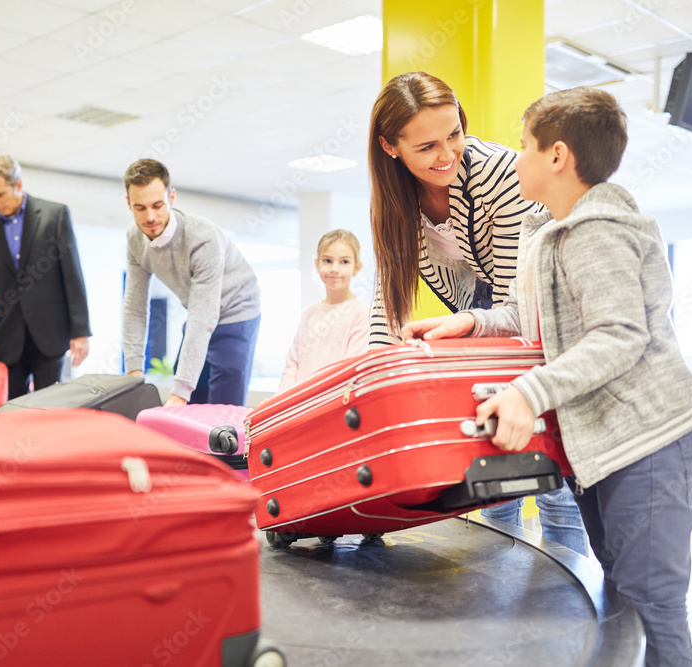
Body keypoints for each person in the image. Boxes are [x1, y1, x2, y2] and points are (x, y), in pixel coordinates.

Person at [401, 86, 692, 667]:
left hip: (650, 443)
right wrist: (465, 321)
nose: (512, 159)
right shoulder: (548, 237)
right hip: (602, 444)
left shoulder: (601, 230)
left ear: (557, 157)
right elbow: (524, 318)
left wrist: (528, 392)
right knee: (618, 591)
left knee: (651, 605)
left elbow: (618, 335)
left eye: (523, 147)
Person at [366, 71, 588, 555]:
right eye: (426, 147)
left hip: (537, 307)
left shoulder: (499, 175)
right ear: (390, 148)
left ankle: (573, 604)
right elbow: (388, 297)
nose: (446, 154)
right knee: (489, 464)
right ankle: (497, 576)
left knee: (543, 468)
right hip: (486, 306)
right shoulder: (395, 200)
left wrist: (521, 389)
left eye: (454, 133)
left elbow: (518, 298)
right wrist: (370, 386)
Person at [122, 159, 261, 407]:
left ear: (171, 197)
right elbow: (134, 307)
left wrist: (180, 394)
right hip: (198, 312)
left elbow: (203, 316)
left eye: (157, 205)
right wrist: (133, 371)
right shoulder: (134, 239)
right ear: (128, 204)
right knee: (192, 404)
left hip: (236, 313)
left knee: (221, 412)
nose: (150, 216)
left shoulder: (202, 237)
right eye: (140, 208)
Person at [0, 155, 91, 400]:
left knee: (47, 407)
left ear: (18, 184)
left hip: (50, 334)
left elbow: (72, 275)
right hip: (6, 337)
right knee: (12, 410)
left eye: (0, 194)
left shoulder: (55, 215)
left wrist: (80, 331)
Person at [277, 229, 369, 395]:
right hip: (298, 404)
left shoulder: (361, 313)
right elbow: (292, 365)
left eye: (344, 262)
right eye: (327, 260)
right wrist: (278, 402)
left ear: (356, 268)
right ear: (317, 263)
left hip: (331, 403)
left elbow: (351, 368)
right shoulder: (308, 314)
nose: (334, 268)